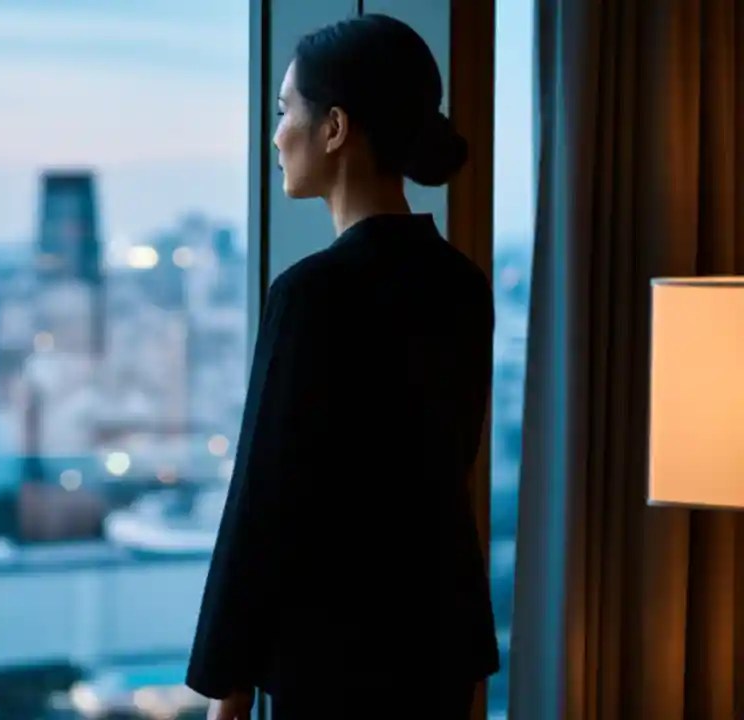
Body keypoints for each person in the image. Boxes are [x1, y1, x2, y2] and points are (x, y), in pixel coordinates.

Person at [187, 13, 500, 720]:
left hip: (332, 659)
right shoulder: (460, 283)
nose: (275, 136)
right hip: (438, 646)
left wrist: (227, 687)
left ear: (333, 128)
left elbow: (263, 498)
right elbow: (450, 472)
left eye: (283, 111)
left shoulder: (310, 293)